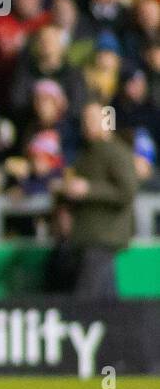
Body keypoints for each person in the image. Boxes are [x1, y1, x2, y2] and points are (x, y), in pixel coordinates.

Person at [52, 102, 139, 297]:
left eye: (92, 120)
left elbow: (127, 191)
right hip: (87, 237)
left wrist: (89, 189)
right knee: (105, 301)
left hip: (103, 237)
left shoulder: (116, 152)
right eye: (84, 121)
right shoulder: (87, 152)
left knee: (87, 300)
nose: (87, 125)